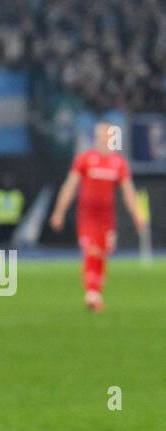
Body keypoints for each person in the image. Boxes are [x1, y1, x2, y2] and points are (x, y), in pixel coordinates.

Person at [49, 121, 147, 312]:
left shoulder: (118, 163)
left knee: (102, 253)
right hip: (87, 215)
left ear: (111, 138)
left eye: (107, 135)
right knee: (91, 251)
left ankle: (95, 293)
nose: (103, 139)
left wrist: (137, 215)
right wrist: (59, 212)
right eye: (100, 135)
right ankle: (92, 294)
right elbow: (70, 186)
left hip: (107, 218)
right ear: (95, 137)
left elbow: (128, 191)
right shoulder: (84, 159)